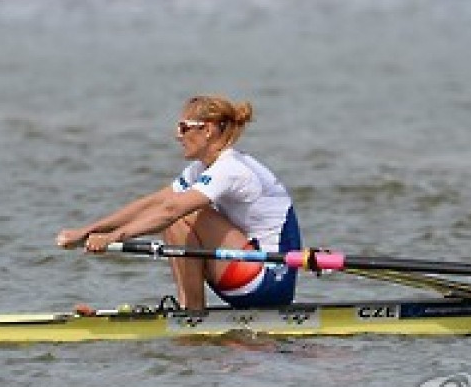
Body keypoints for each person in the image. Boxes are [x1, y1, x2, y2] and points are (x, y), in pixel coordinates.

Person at [55, 95, 302, 310]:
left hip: (270, 281)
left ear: (207, 130)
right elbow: (155, 202)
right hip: (247, 275)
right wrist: (88, 231)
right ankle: (189, 308)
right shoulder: (202, 169)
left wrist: (114, 237)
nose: (177, 135)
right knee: (175, 209)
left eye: (184, 127)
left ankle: (191, 311)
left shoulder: (231, 168)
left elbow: (171, 210)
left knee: (183, 213)